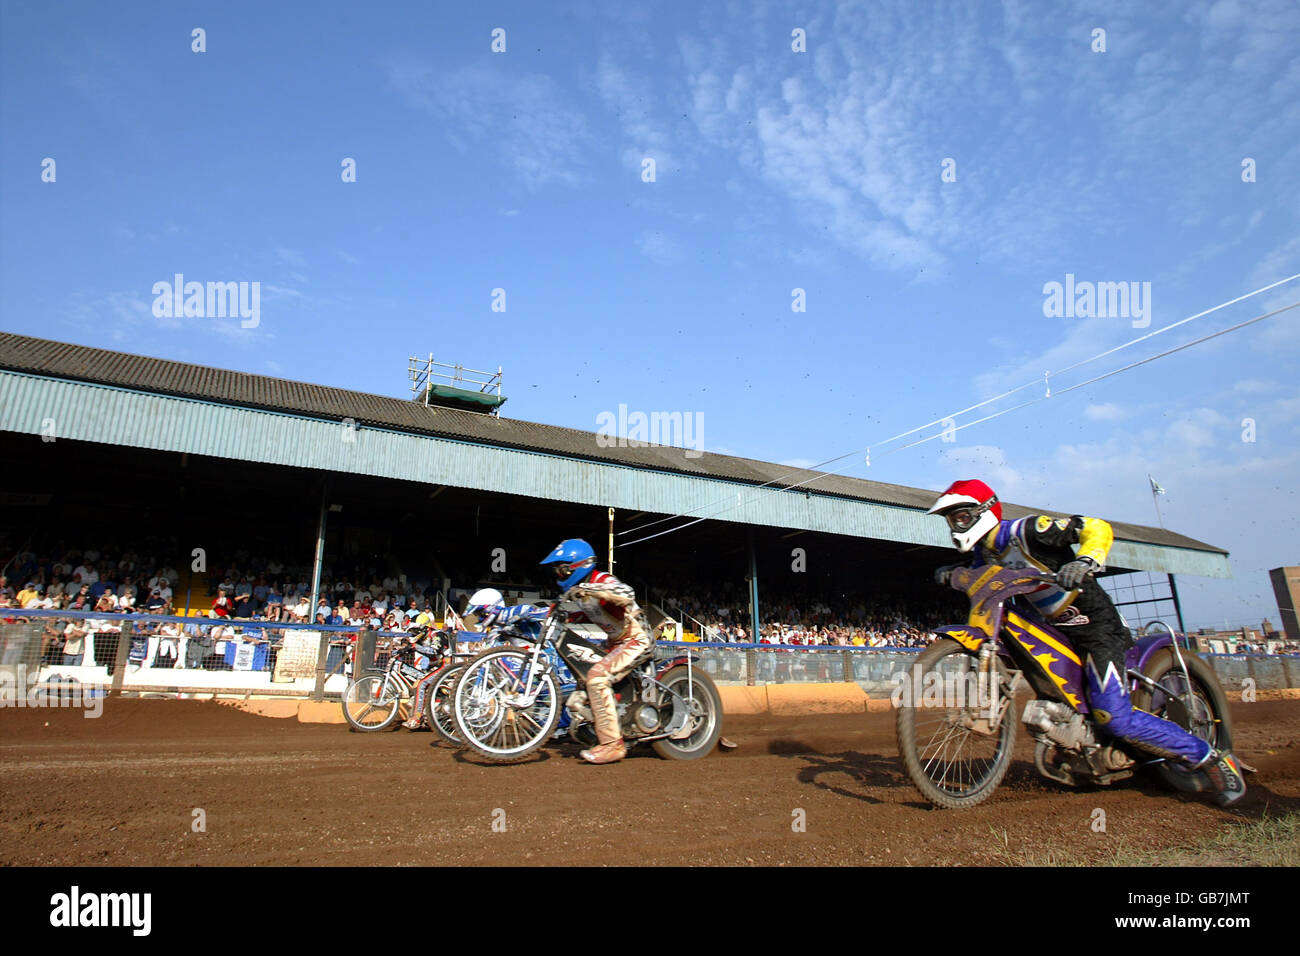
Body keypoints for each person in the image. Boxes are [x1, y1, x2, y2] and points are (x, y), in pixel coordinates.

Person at [927, 478, 1245, 805]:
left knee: (1113, 716)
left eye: (961, 517)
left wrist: (1085, 561)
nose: (956, 526)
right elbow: (982, 580)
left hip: (1096, 629)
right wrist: (954, 573)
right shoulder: (985, 555)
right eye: (952, 520)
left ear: (985, 511)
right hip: (1055, 629)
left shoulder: (1030, 530)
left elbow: (1096, 527)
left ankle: (1209, 757)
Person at [540, 539, 653, 765]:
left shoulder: (601, 580)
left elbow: (626, 593)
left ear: (578, 565)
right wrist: (568, 616)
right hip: (615, 642)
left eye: (562, 570)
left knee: (596, 676)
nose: (559, 575)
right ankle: (603, 730)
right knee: (580, 686)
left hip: (636, 639)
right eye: (557, 571)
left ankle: (612, 745)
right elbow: (595, 613)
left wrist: (587, 588)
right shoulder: (581, 593)